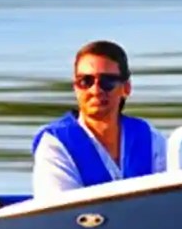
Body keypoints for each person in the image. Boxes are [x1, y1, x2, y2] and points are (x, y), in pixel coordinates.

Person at [32, 40, 167, 198]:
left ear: (126, 88)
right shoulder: (55, 144)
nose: (95, 90)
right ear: (75, 88)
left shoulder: (149, 137)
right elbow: (58, 213)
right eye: (85, 81)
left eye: (107, 81)